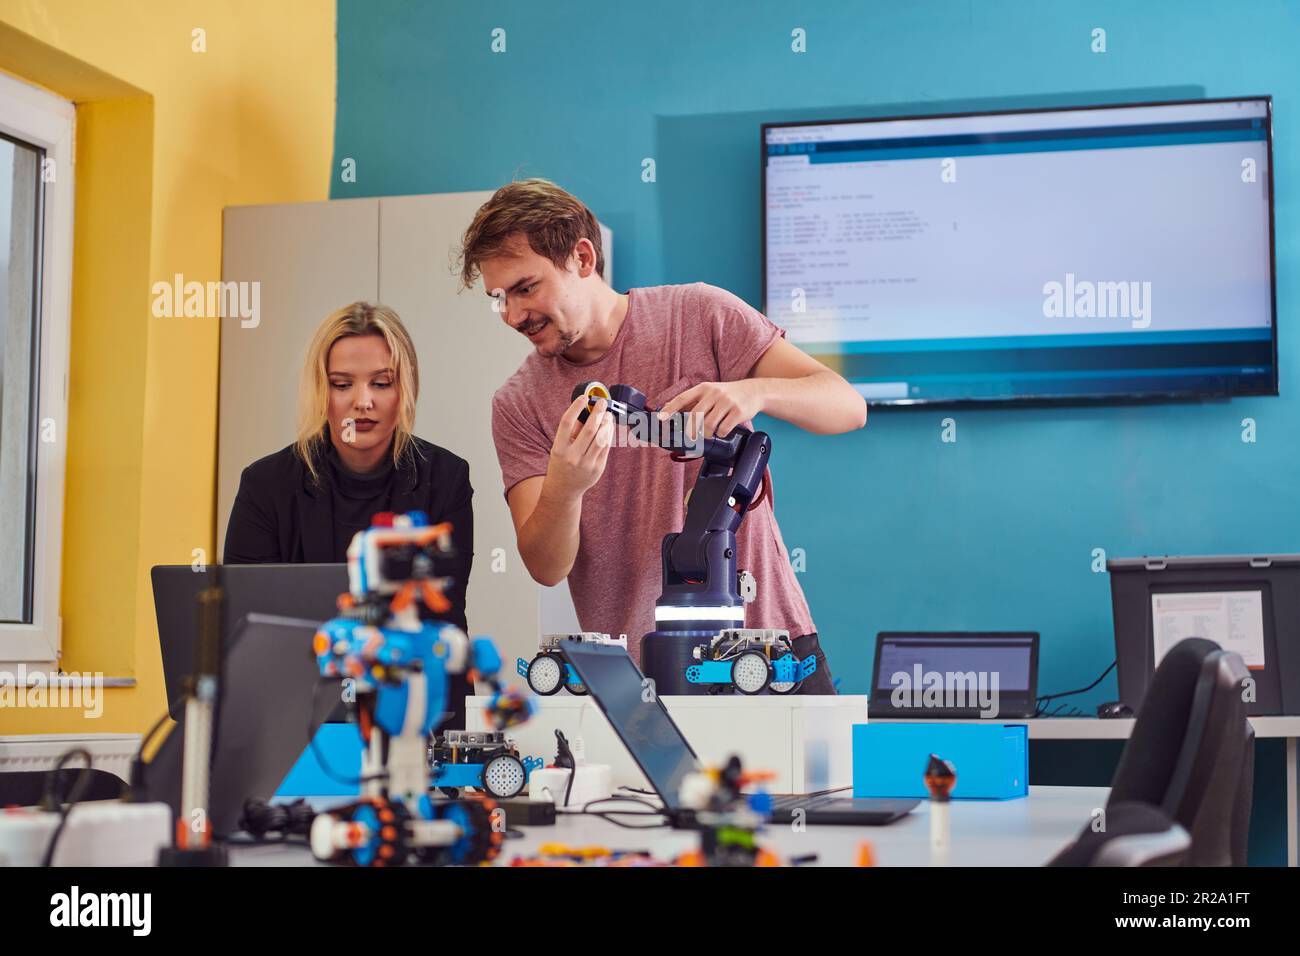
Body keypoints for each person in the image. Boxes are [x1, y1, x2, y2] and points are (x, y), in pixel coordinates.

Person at [458, 179, 866, 692]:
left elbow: (846, 405)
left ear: (582, 258)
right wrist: (566, 485)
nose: (514, 316)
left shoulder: (699, 314)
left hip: (768, 648)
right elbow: (545, 565)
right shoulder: (518, 403)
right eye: (499, 299)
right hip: (638, 673)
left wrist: (754, 393)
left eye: (525, 288)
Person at [224, 301, 475, 727]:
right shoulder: (266, 484)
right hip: (296, 717)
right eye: (342, 384)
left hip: (419, 713)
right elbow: (253, 626)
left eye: (381, 383)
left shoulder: (445, 478)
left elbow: (437, 611)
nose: (363, 402)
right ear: (321, 391)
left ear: (406, 389)